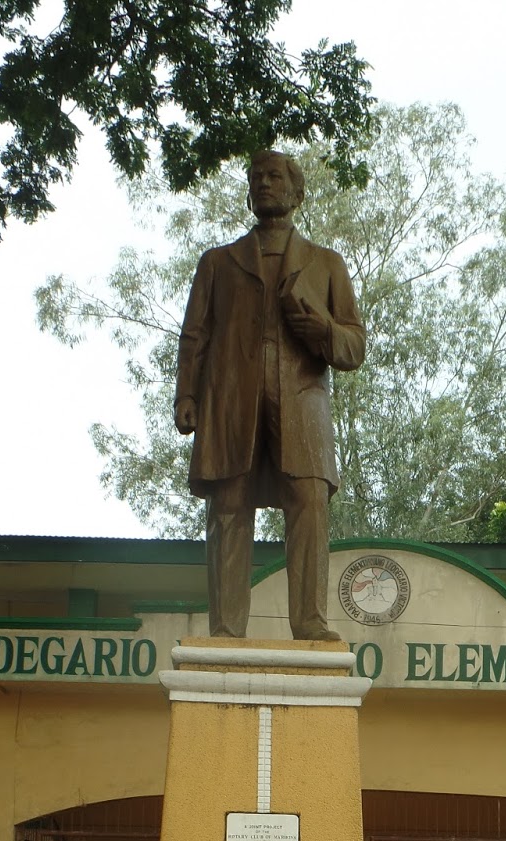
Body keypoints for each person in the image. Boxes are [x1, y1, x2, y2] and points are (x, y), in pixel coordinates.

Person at [175, 150, 366, 641]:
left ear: (297, 192)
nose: (263, 183)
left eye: (275, 176)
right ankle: (225, 629)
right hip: (230, 399)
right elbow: (194, 335)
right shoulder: (218, 262)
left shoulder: (326, 264)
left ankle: (310, 623)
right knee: (228, 502)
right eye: (256, 177)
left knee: (309, 499)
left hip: (301, 398)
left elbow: (354, 346)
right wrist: (186, 395)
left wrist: (322, 329)